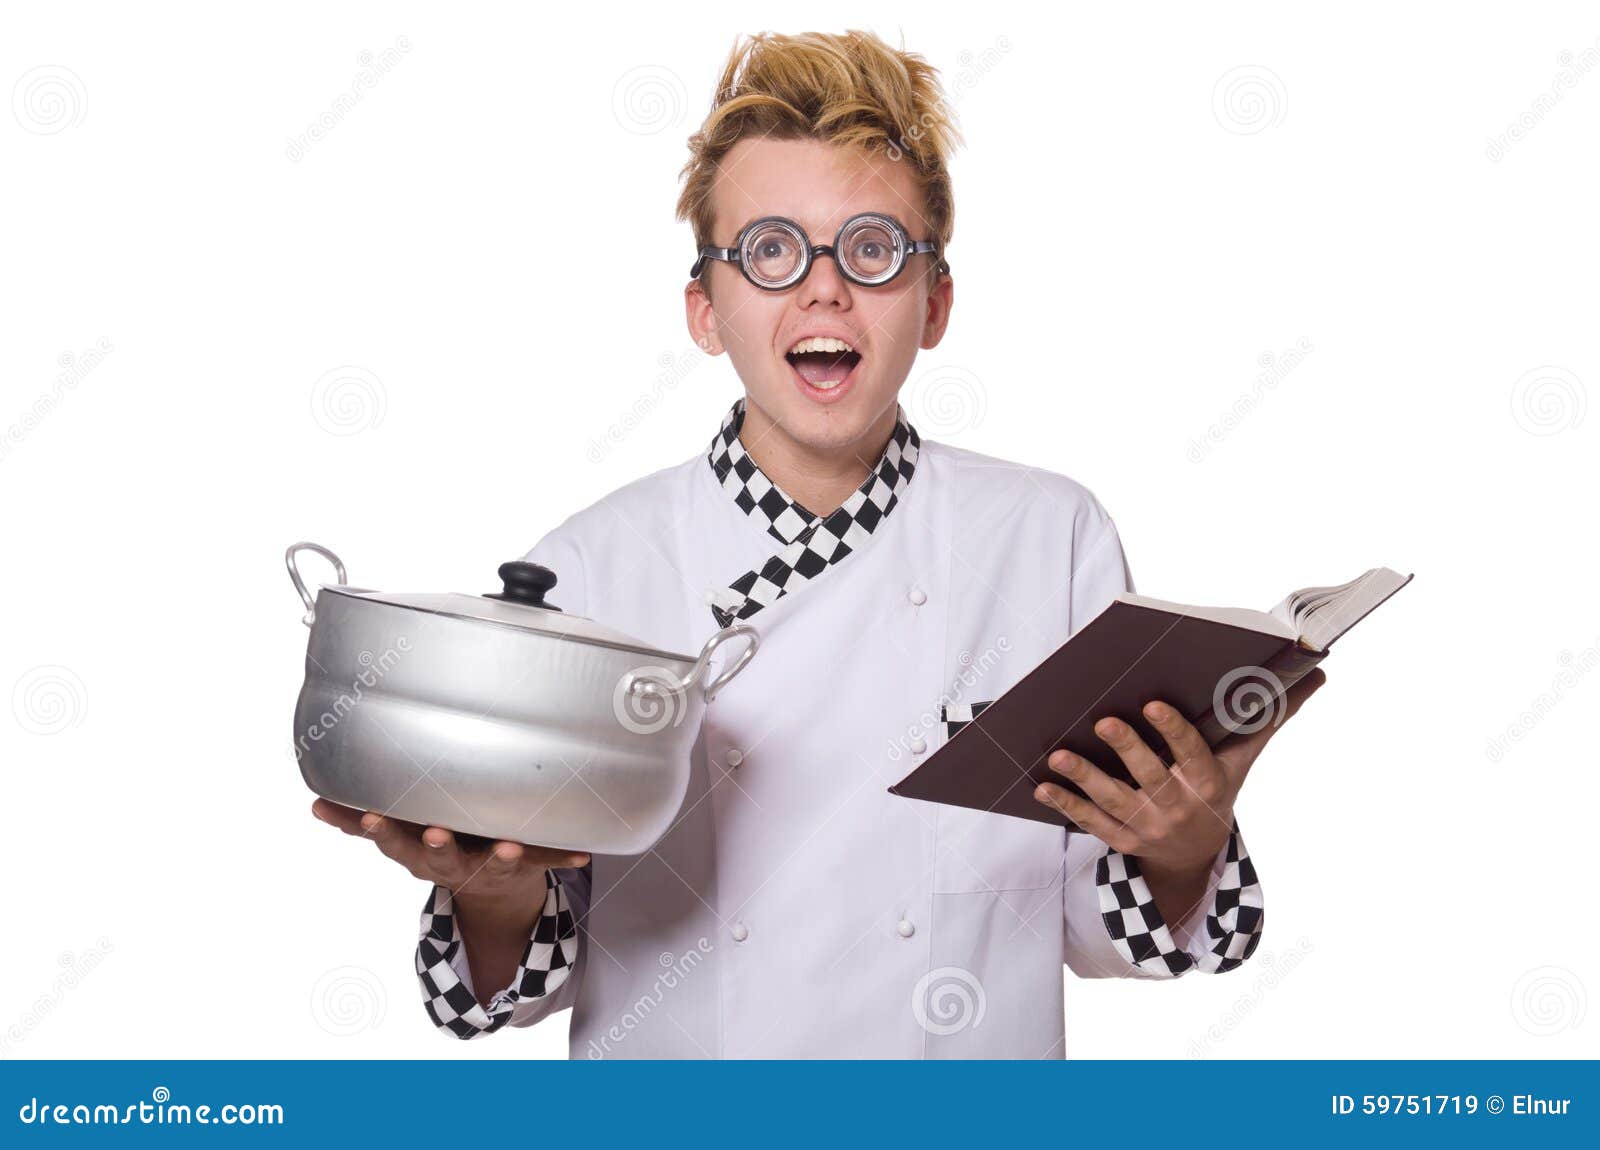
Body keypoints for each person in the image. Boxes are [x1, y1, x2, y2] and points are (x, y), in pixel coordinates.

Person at [312, 29, 1324, 1058]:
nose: (824, 289)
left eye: (872, 249)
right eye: (770, 250)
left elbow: (1086, 921)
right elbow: (505, 984)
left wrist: (1183, 847)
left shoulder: (1048, 538)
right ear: (707, 311)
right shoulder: (592, 566)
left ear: (933, 303)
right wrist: (493, 892)